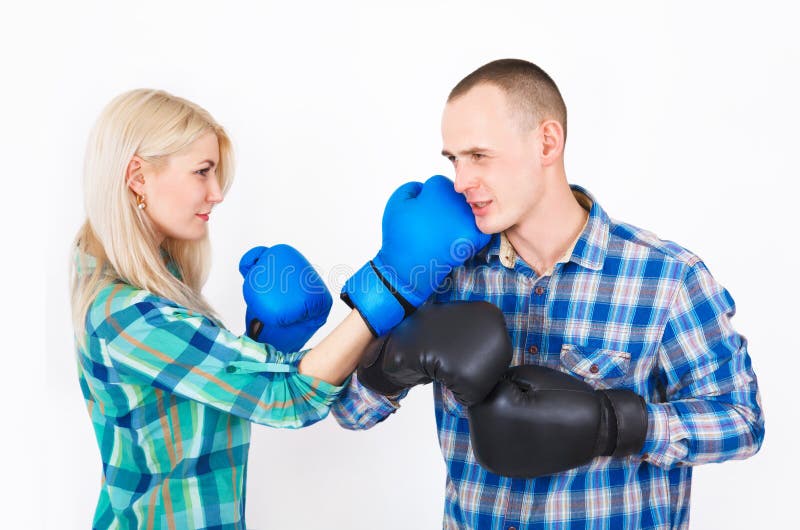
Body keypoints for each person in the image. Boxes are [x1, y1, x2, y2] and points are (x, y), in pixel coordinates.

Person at [332, 59, 765, 529]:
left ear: (547, 142)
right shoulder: (447, 274)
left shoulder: (667, 277)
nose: (460, 182)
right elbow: (351, 413)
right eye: (453, 159)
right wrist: (389, 367)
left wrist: (614, 425)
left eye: (479, 155)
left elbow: (742, 421)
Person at [69, 88, 489, 529]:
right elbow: (290, 399)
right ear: (138, 177)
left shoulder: (139, 281)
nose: (216, 193)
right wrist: (392, 281)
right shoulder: (128, 315)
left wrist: (264, 342)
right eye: (202, 172)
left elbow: (203, 397)